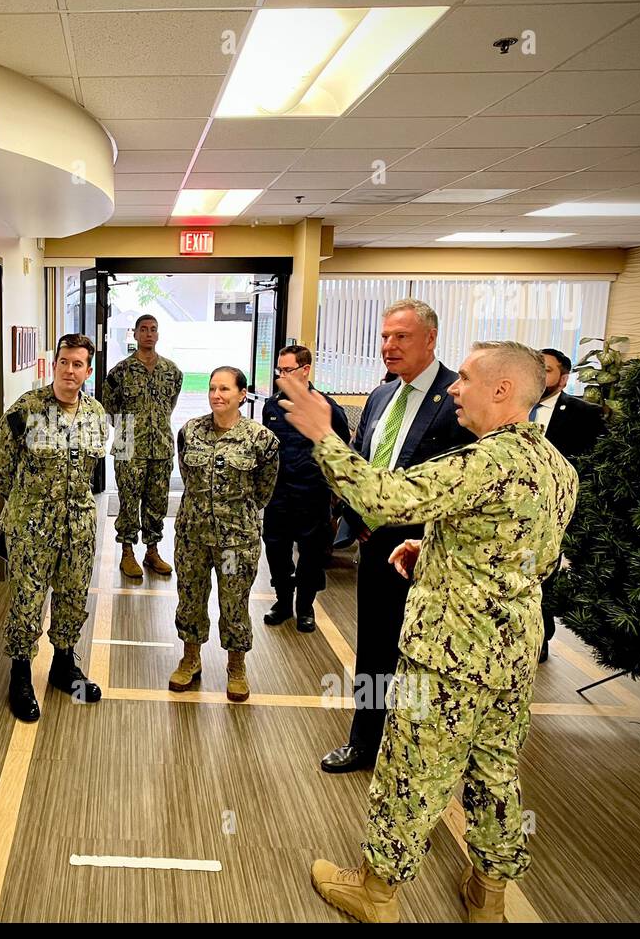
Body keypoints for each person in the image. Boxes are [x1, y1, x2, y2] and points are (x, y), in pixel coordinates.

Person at [279, 340, 578, 924]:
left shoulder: (487, 459)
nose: (452, 389)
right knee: (495, 770)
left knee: (411, 769)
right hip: (511, 655)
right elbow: (531, 559)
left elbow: (381, 498)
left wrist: (323, 434)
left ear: (502, 390)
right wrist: (437, 550)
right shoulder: (557, 467)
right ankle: (489, 892)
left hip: (449, 658)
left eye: (464, 379)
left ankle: (376, 890)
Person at [321, 298, 474, 775]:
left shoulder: (456, 399)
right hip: (375, 542)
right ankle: (365, 741)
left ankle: (414, 749)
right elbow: (363, 462)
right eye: (385, 336)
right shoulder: (383, 395)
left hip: (428, 552)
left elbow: (462, 484)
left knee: (423, 653)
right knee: (374, 646)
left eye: (401, 337)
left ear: (430, 339)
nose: (388, 346)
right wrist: (357, 514)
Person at [0, 333, 110, 722]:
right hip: (31, 530)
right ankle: (20, 676)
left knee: (73, 598)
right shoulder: (27, 408)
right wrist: (27, 506)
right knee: (27, 602)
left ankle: (63, 666)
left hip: (78, 527)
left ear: (88, 371)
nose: (70, 370)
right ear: (53, 364)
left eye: (78, 364)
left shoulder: (95, 414)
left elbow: (91, 469)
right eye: (64, 362)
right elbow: (0, 465)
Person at [169, 366, 278, 703]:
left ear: (242, 395)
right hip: (193, 537)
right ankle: (190, 659)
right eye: (213, 388)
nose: (217, 395)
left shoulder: (261, 440)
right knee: (190, 598)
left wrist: (236, 515)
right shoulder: (190, 431)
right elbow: (187, 475)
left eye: (225, 389)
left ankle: (236, 667)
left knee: (233, 602)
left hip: (235, 542)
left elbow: (264, 489)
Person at [261, 345, 349, 631]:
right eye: (280, 370)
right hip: (279, 493)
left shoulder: (326, 407)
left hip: (312, 494)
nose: (282, 376)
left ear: (305, 370)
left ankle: (305, 607)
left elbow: (340, 448)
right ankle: (283, 602)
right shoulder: (272, 405)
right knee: (276, 550)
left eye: (288, 370)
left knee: (311, 554)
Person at [534, 347, 605, 663]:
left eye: (546, 370)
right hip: (512, 509)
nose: (538, 374)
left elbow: (597, 463)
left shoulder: (582, 414)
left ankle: (540, 635)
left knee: (544, 574)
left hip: (555, 512)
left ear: (562, 378)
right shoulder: (513, 406)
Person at [101, 313, 183, 580]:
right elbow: (108, 407)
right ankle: (127, 551)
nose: (149, 333)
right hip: (128, 446)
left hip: (160, 445)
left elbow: (169, 406)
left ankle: (152, 550)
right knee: (128, 501)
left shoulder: (172, 372)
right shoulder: (119, 372)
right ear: (134, 334)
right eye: (143, 329)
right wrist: (127, 430)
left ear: (158, 335)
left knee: (157, 501)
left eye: (153, 329)